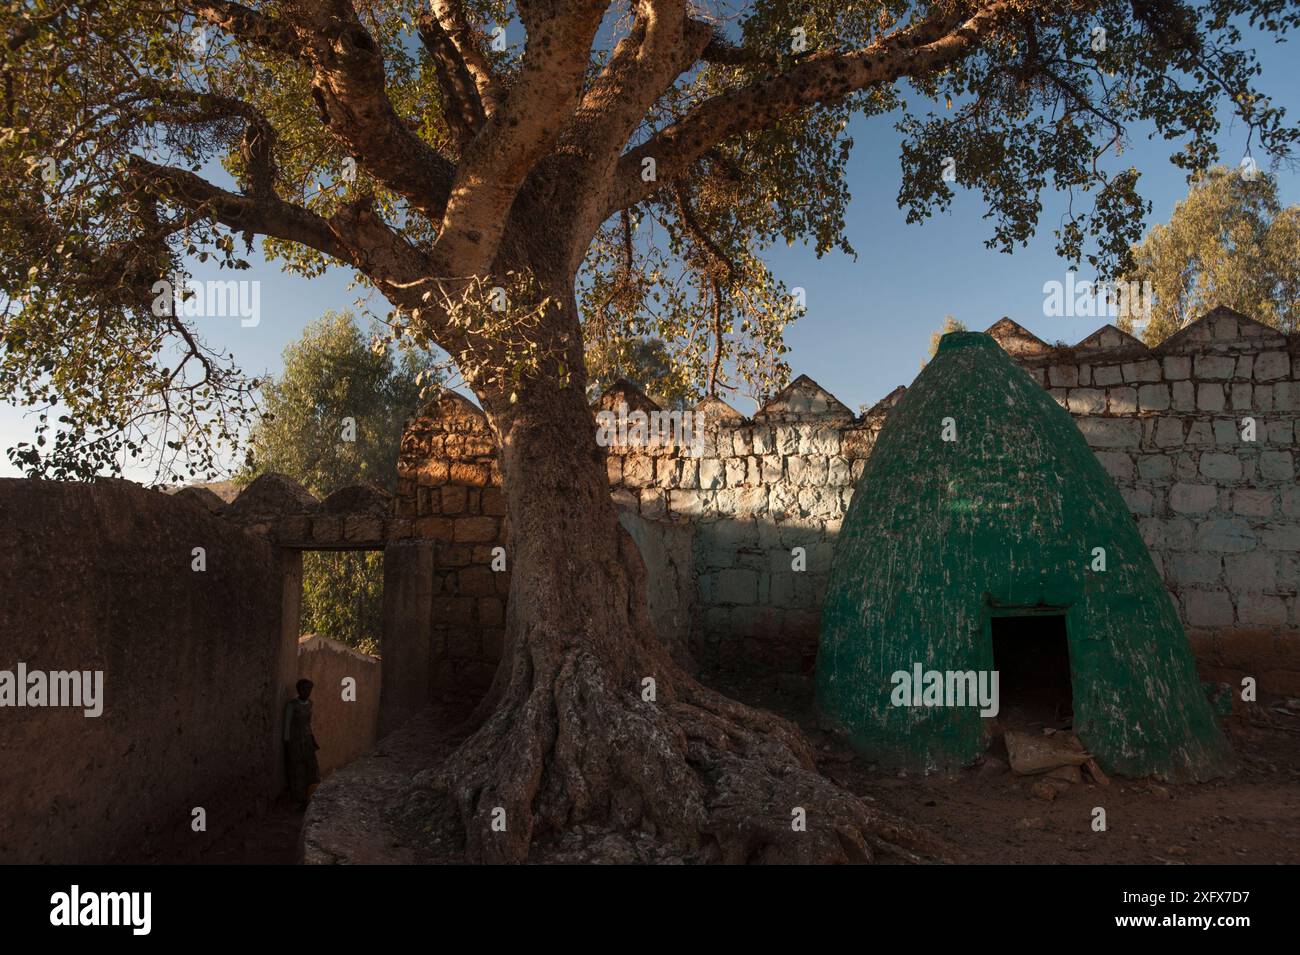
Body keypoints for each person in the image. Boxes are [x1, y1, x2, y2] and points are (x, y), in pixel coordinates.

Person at [284, 678, 321, 811]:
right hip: (295, 742)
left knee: (311, 769)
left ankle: (309, 797)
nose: (307, 692)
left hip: (307, 741)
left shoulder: (310, 704)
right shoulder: (292, 705)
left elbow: (309, 724)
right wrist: (287, 743)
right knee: (297, 771)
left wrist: (312, 738)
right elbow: (287, 727)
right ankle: (298, 799)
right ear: (299, 690)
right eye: (304, 689)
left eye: (309, 690)